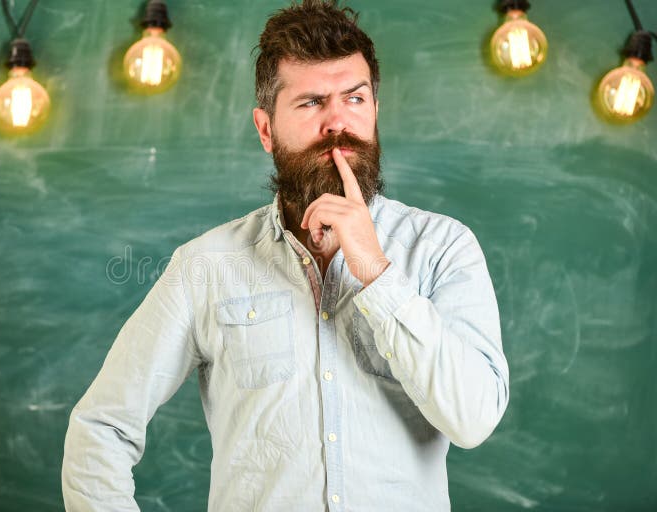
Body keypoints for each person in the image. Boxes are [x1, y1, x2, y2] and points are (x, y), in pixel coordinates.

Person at [61, 1, 510, 510]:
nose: (338, 123)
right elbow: (100, 429)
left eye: (355, 98)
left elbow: (473, 420)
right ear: (265, 129)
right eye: (312, 102)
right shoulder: (204, 267)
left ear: (375, 110)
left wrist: (376, 274)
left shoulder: (443, 249)